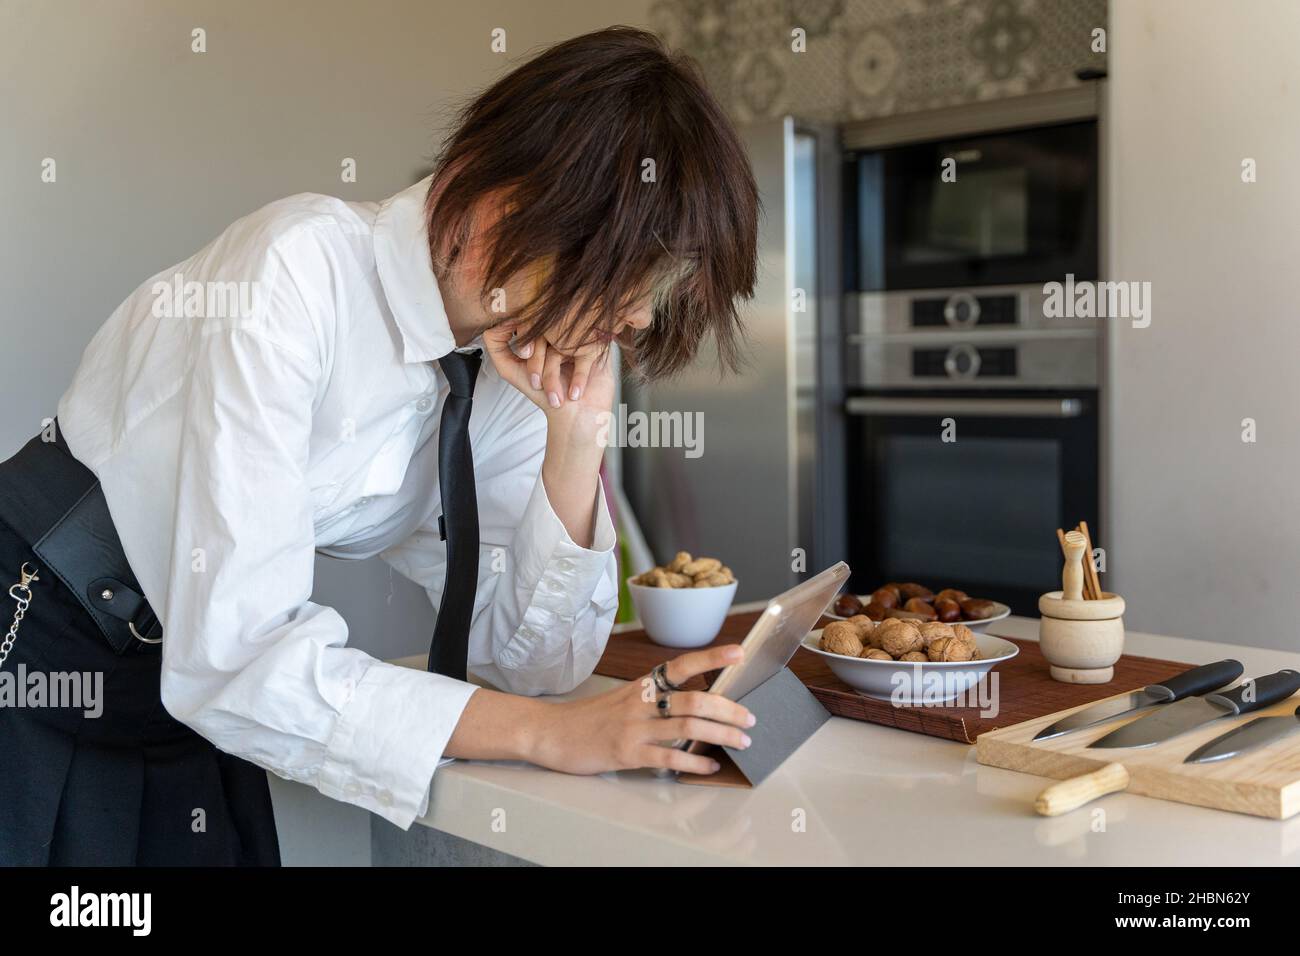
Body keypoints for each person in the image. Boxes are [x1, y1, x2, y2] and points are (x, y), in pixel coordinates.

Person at [0, 26, 759, 866]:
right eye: (631, 280)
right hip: (34, 640)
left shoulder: (507, 371)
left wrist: (576, 438)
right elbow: (240, 660)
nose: (643, 318)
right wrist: (551, 738)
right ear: (514, 200)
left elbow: (528, 666)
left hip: (177, 693)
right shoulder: (293, 273)